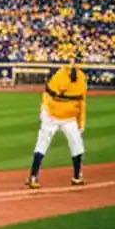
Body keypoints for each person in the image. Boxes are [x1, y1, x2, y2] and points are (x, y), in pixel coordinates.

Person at [26, 51, 87, 189]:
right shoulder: (59, 76)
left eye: (76, 62)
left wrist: (81, 121)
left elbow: (82, 102)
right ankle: (33, 177)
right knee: (42, 144)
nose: (74, 65)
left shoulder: (82, 78)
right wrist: (45, 113)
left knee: (77, 145)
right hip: (51, 116)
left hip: (69, 118)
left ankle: (77, 176)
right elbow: (48, 95)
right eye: (72, 62)